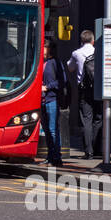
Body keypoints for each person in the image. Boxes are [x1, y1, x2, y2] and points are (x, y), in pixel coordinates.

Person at [68, 30, 99, 158]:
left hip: (84, 89)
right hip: (98, 88)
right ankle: (97, 146)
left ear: (81, 41)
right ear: (93, 41)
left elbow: (70, 68)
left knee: (86, 120)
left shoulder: (76, 53)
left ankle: (88, 150)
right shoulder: (98, 52)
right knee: (98, 118)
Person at [40, 38, 67, 166]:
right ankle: (50, 156)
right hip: (42, 100)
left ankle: (57, 157)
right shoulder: (42, 62)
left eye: (44, 47)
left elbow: (62, 81)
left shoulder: (55, 62)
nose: (42, 50)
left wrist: (48, 87)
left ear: (49, 49)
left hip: (52, 99)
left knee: (52, 129)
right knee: (46, 129)